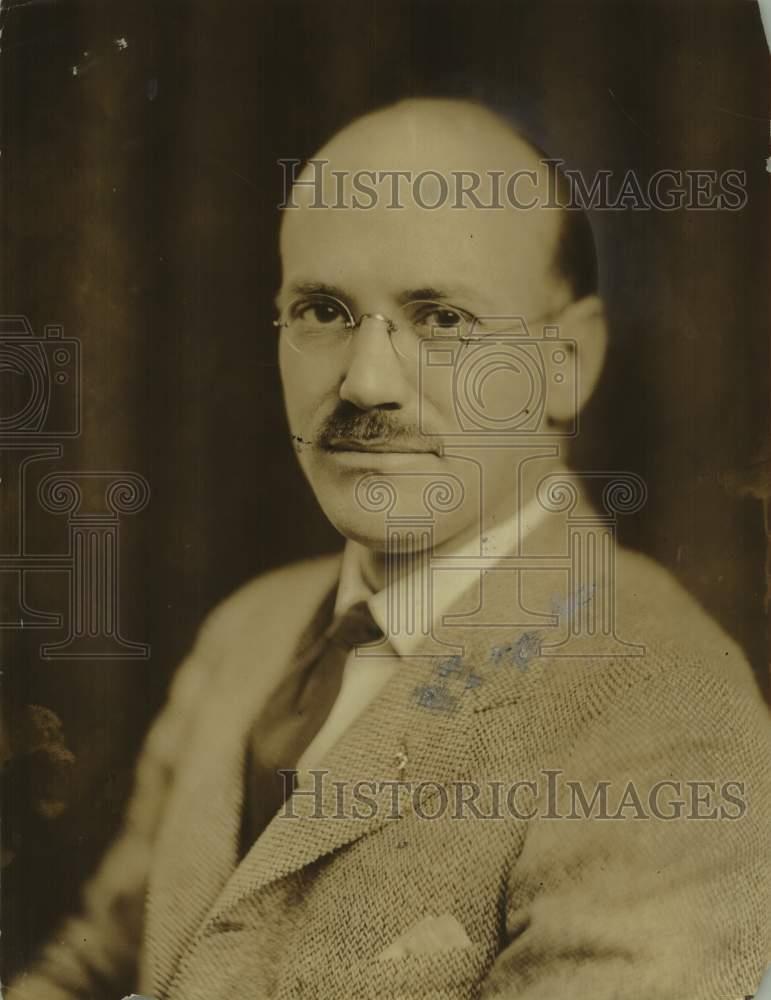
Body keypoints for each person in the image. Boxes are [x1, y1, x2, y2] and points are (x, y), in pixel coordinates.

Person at [10, 98, 769, 1000]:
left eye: (441, 319)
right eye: (322, 309)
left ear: (567, 363)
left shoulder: (672, 719)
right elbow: (101, 960)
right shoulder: (245, 634)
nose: (365, 380)